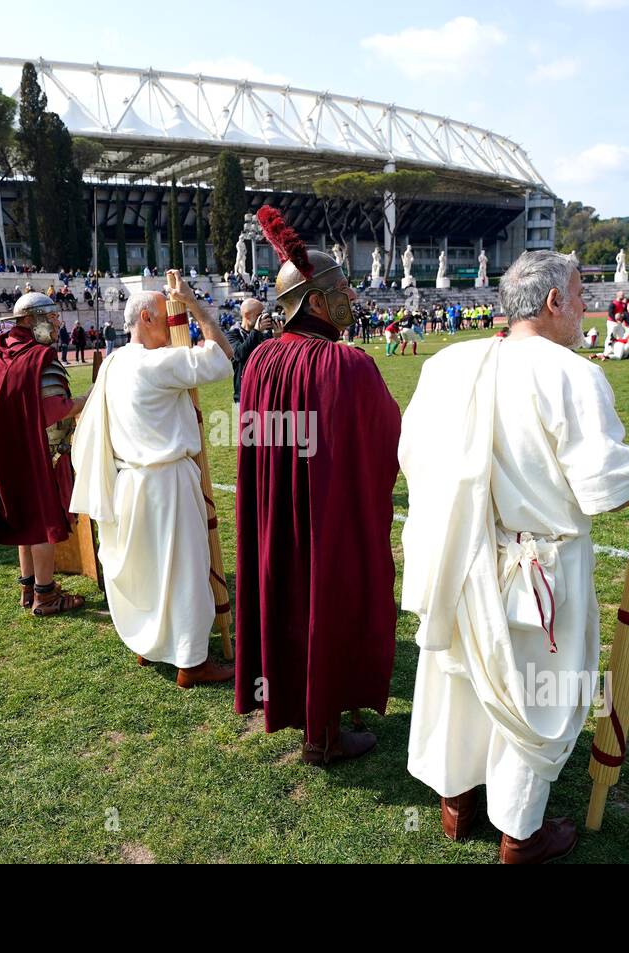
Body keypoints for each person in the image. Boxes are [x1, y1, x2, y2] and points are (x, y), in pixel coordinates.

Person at [399, 250, 629, 862]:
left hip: (456, 557)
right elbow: (608, 485)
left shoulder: (447, 363)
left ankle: (456, 803)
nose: (587, 307)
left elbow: (413, 457)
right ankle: (521, 833)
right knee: (536, 696)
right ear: (553, 303)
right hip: (536, 572)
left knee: (464, 680)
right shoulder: (571, 374)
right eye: (579, 293)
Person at [233, 206, 401, 764]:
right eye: (344, 291)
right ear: (316, 302)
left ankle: (307, 718)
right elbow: (387, 442)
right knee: (326, 603)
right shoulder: (348, 365)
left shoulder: (259, 362)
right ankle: (323, 736)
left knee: (288, 600)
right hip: (325, 519)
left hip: (277, 516)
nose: (354, 299)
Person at [70, 273, 235, 687]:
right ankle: (191, 662)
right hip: (166, 483)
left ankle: (149, 644)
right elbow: (223, 356)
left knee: (148, 569)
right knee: (184, 569)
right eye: (167, 316)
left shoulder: (113, 362)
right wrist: (196, 305)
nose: (172, 323)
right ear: (146, 318)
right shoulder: (157, 363)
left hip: (129, 484)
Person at [0, 292, 88, 616]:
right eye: (52, 318)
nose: (58, 324)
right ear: (30, 321)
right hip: (39, 451)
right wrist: (88, 398)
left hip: (6, 451)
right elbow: (54, 410)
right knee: (42, 522)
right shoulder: (40, 357)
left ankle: (28, 586)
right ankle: (45, 595)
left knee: (25, 520)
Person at [223, 297, 272, 405]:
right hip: (244, 396)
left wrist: (277, 338)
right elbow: (239, 354)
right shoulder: (232, 334)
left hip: (264, 394)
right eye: (259, 315)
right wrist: (256, 331)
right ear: (247, 315)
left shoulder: (264, 334)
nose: (262, 318)